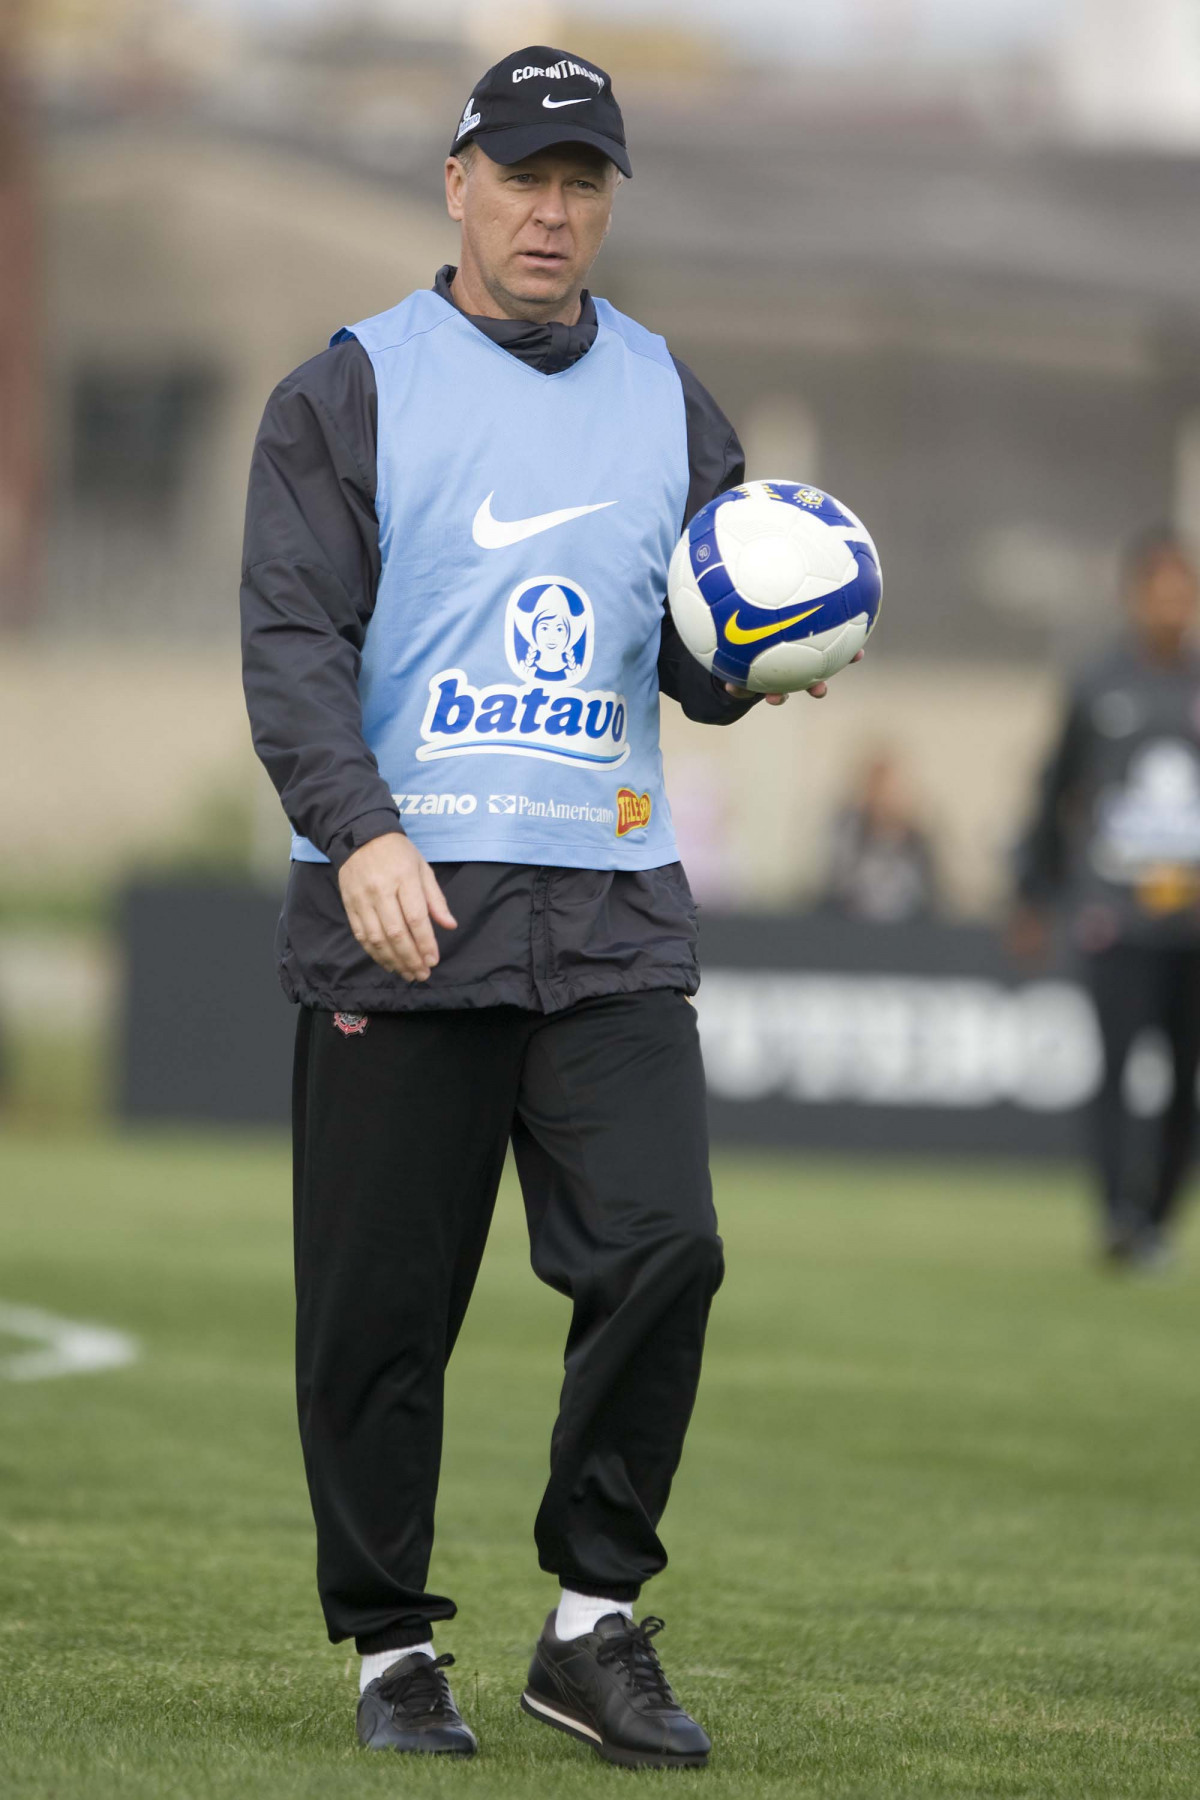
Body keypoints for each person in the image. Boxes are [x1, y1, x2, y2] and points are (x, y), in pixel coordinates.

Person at [241, 46, 856, 1769]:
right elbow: (291, 643)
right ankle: (387, 1652)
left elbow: (691, 650)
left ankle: (591, 1621)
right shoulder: (347, 392)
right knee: (382, 1317)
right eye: (524, 175)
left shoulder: (673, 400)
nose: (554, 210)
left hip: (605, 909)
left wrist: (760, 657)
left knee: (668, 1244)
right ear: (458, 180)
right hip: (405, 906)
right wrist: (356, 830)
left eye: (584, 182)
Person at [1011, 527, 1200, 1268]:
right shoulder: (1097, 685)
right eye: (1161, 588)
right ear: (1133, 595)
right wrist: (1035, 892)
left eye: (1183, 589)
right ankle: (1120, 1216)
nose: (1172, 603)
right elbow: (1056, 791)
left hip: (1192, 923)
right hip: (1114, 916)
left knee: (1185, 1080)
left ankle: (1157, 1215)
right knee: (1116, 1071)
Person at [822, 749, 939, 922]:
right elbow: (837, 886)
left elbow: (931, 895)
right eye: (877, 787)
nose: (884, 796)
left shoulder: (918, 841)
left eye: (890, 788)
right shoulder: (849, 835)